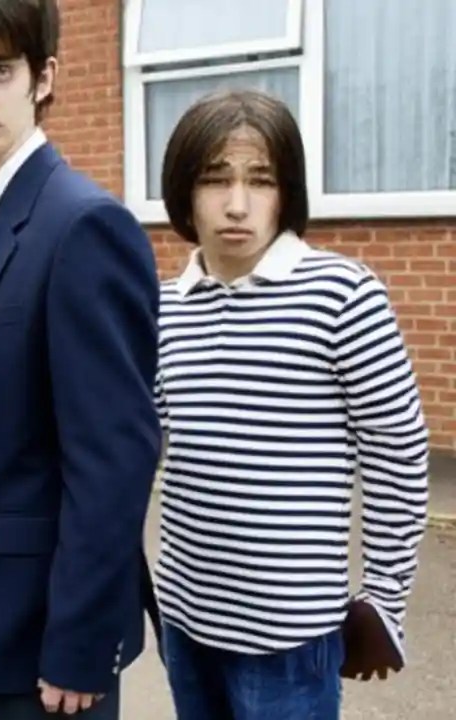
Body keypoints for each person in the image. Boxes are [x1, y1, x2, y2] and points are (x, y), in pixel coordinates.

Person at [0, 1, 163, 718]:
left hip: (48, 646)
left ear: (43, 77)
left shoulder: (81, 223)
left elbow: (114, 456)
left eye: (0, 70)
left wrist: (79, 644)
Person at [153, 88, 430, 719]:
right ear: (182, 191)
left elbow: (398, 455)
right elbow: (138, 443)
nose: (237, 204)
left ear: (289, 192)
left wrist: (382, 596)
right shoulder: (164, 307)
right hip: (186, 620)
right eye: (214, 179)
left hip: (290, 640)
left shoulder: (342, 297)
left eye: (262, 180)